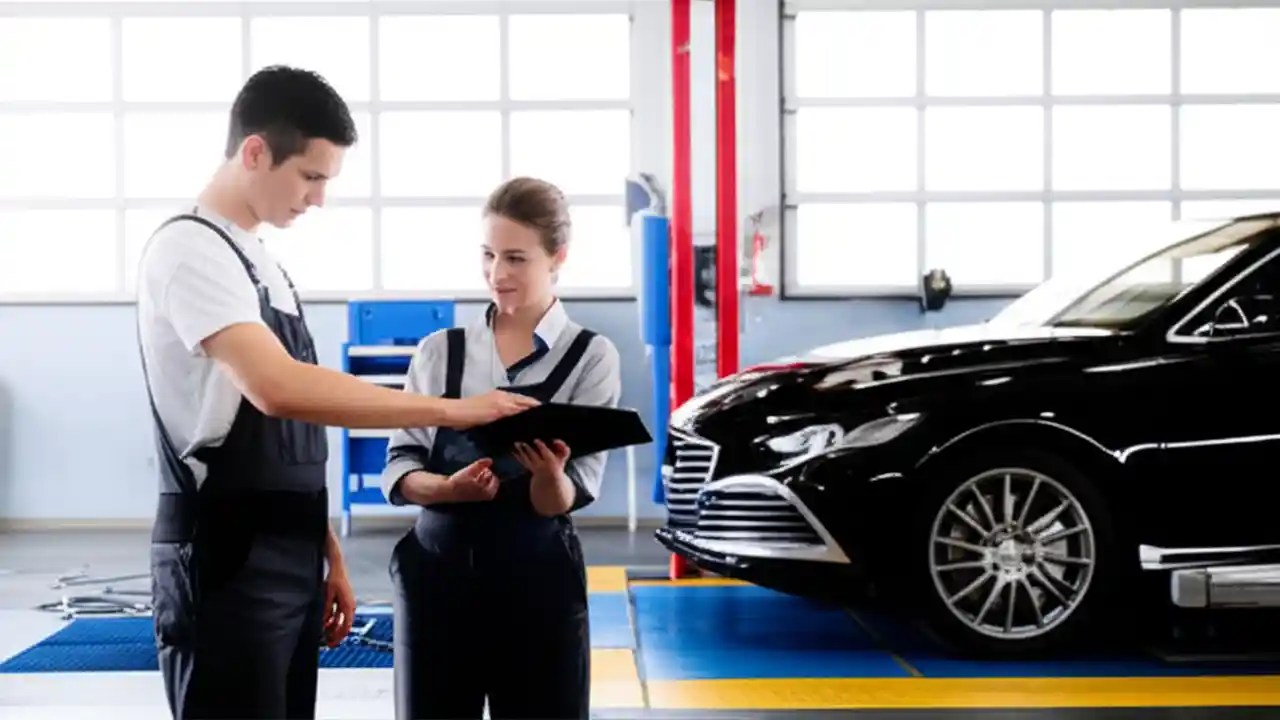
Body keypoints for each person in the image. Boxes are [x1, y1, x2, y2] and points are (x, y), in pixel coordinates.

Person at [134, 65, 537, 720]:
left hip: (290, 550)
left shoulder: (262, 262)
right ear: (255, 152)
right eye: (310, 177)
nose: (319, 198)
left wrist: (327, 554)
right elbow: (277, 389)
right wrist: (453, 410)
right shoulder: (189, 250)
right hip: (224, 557)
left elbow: (295, 439)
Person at [381, 176, 623, 720]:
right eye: (488, 255)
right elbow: (399, 465)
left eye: (516, 258)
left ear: (558, 257)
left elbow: (567, 495)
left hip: (538, 584)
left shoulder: (591, 357)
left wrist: (548, 476)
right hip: (436, 577)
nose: (497, 274)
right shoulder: (440, 352)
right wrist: (447, 489)